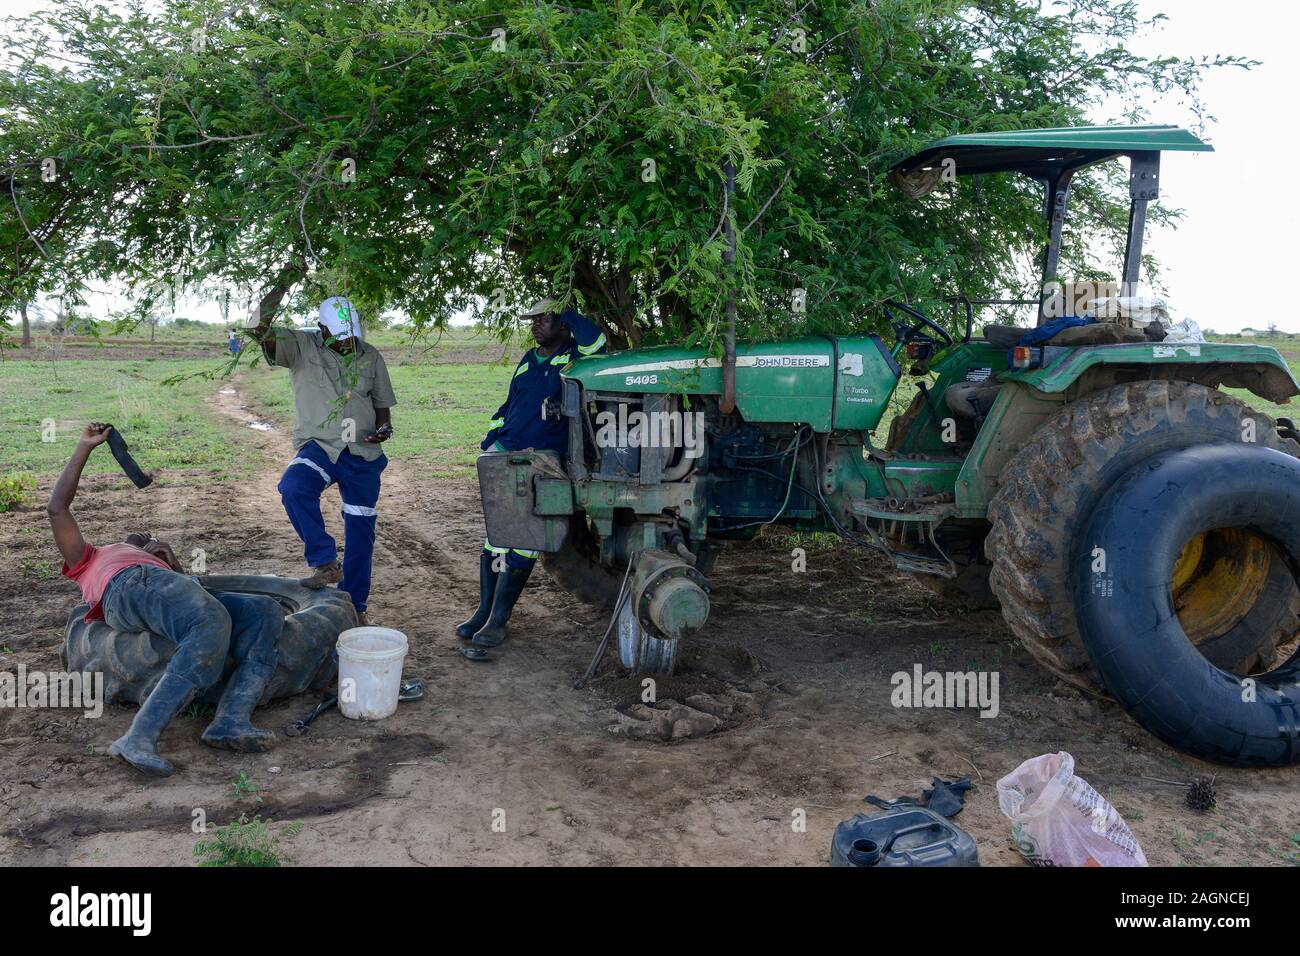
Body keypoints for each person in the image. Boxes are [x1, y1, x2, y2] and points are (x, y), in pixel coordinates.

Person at [49, 424, 283, 776]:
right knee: (209, 621)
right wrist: (85, 447)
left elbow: (187, 598)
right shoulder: (91, 558)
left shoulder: (159, 566)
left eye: (152, 538)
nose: (147, 537)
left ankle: (231, 718)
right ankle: (138, 737)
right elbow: (57, 509)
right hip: (127, 587)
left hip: (164, 585)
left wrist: (172, 565)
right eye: (141, 539)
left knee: (263, 611)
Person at [456, 298, 606, 648]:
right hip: (508, 451)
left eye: (544, 319)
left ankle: (498, 620)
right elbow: (508, 404)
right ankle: (483, 611)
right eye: (533, 320)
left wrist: (567, 311)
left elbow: (597, 342)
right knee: (496, 534)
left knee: (523, 535)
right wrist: (493, 436)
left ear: (563, 322)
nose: (536, 325)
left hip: (542, 458)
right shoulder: (528, 360)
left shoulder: (574, 357)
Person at [260, 297, 396, 626]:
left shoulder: (370, 355)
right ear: (321, 329)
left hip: (362, 454)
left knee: (361, 533)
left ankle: (354, 608)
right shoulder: (300, 346)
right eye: (339, 336)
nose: (347, 342)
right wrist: (283, 282)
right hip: (320, 447)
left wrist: (383, 429)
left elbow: (381, 406)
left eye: (351, 335)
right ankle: (324, 562)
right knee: (293, 488)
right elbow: (259, 329)